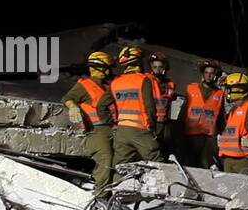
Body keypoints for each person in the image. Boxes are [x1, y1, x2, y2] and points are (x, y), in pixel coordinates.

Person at [62, 51, 117, 194]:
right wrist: (73, 107)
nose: (107, 71)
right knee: (105, 160)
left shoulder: (109, 85)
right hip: (97, 131)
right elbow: (68, 98)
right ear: (94, 68)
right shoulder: (84, 85)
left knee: (118, 160)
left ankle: (117, 194)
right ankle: (101, 195)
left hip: (114, 128)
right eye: (105, 67)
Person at [109, 46, 162, 179]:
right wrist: (152, 127)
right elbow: (149, 106)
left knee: (121, 166)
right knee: (157, 161)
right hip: (140, 129)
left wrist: (112, 124)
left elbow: (101, 105)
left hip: (121, 131)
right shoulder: (143, 80)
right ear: (138, 62)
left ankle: (116, 195)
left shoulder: (115, 82)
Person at [179, 58, 225, 169]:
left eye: (211, 73)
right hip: (191, 135)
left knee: (205, 166)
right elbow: (183, 111)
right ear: (203, 74)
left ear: (215, 75)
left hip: (208, 138)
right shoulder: (191, 88)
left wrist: (222, 135)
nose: (209, 76)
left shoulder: (219, 94)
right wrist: (179, 131)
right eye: (206, 73)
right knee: (189, 164)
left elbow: (220, 116)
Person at [147, 51, 176, 158]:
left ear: (165, 67)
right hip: (151, 122)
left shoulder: (171, 84)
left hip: (165, 123)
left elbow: (169, 105)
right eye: (154, 67)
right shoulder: (147, 80)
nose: (157, 69)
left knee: (165, 151)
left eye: (160, 67)